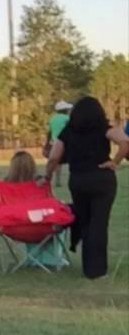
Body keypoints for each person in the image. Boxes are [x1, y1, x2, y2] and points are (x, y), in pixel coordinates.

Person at [45, 96, 129, 279]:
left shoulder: (69, 131)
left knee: (85, 222)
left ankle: (88, 265)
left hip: (78, 179)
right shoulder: (104, 129)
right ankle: (97, 270)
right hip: (102, 178)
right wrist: (115, 161)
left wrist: (48, 176)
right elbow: (125, 142)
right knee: (99, 223)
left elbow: (54, 157)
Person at [46, 100, 73, 187]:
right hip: (65, 142)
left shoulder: (52, 119)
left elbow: (49, 132)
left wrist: (46, 144)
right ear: (65, 110)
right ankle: (61, 180)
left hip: (54, 142)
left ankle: (54, 180)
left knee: (56, 162)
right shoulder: (67, 118)